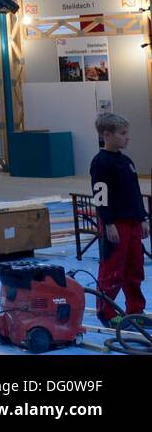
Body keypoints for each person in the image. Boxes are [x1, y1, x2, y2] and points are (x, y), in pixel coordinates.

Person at [90, 112, 148, 327]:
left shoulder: (126, 162)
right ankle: (106, 313)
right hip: (116, 224)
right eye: (123, 134)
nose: (127, 138)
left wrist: (142, 218)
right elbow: (100, 195)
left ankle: (136, 310)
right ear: (107, 135)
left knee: (135, 269)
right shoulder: (101, 163)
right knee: (113, 269)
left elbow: (135, 191)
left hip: (133, 223)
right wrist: (109, 222)